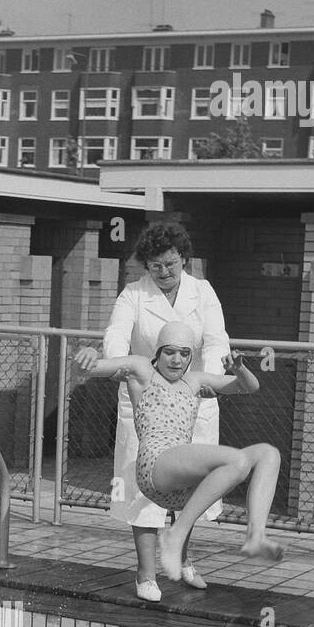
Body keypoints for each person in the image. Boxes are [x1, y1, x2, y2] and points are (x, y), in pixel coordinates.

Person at [75, 322, 282, 583]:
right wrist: (88, 355)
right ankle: (176, 534)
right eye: (169, 352)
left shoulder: (195, 381)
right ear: (157, 353)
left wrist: (239, 369)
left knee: (268, 454)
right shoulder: (142, 370)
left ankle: (255, 536)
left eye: (184, 354)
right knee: (237, 461)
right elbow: (86, 368)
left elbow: (250, 387)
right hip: (155, 466)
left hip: (182, 481)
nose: (176, 360)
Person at [102, 221, 231, 598]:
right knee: (142, 488)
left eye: (171, 264)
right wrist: (116, 363)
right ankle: (145, 575)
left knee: (191, 488)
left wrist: (208, 381)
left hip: (191, 399)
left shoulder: (202, 292)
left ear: (184, 260)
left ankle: (182, 561)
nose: (164, 272)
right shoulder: (133, 295)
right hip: (146, 399)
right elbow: (116, 334)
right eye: (156, 266)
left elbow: (216, 339)